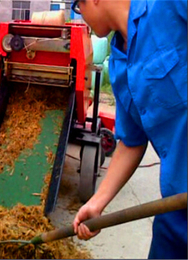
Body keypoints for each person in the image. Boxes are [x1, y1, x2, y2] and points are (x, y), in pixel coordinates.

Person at [71, 0, 187, 258]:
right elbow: (132, 142)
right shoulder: (119, 64)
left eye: (78, 7)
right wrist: (97, 203)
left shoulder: (169, 7)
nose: (80, 16)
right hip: (176, 207)